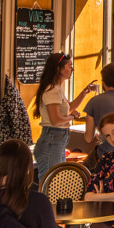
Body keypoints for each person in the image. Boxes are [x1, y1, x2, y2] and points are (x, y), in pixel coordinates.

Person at [32, 53, 97, 182]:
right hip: (52, 138)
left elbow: (69, 108)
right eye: (69, 66)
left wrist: (84, 93)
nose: (72, 69)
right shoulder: (51, 91)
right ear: (59, 69)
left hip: (58, 138)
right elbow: (56, 120)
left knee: (57, 178)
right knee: (51, 180)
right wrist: (71, 117)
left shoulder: (57, 88)